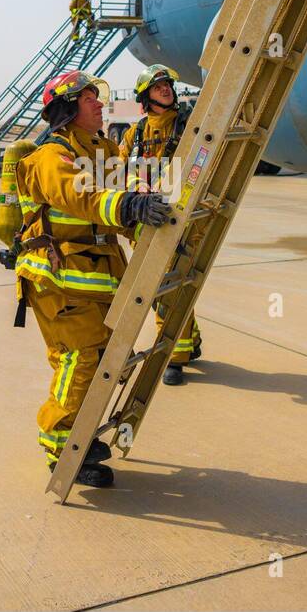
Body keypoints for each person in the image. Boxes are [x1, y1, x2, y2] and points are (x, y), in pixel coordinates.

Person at [13, 70, 169, 487]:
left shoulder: (101, 147)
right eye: (89, 99)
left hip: (95, 275)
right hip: (59, 279)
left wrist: (147, 210)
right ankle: (60, 448)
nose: (100, 103)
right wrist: (130, 208)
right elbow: (82, 195)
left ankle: (78, 438)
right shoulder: (51, 156)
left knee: (101, 360)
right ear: (67, 109)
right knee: (78, 360)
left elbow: (124, 179)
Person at [119, 64, 202, 386]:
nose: (165, 89)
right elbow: (121, 167)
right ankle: (187, 341)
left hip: (181, 217)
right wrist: (135, 184)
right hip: (146, 219)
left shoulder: (188, 125)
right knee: (162, 286)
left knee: (172, 283)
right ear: (146, 96)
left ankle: (175, 357)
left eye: (167, 85)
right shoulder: (135, 133)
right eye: (157, 87)